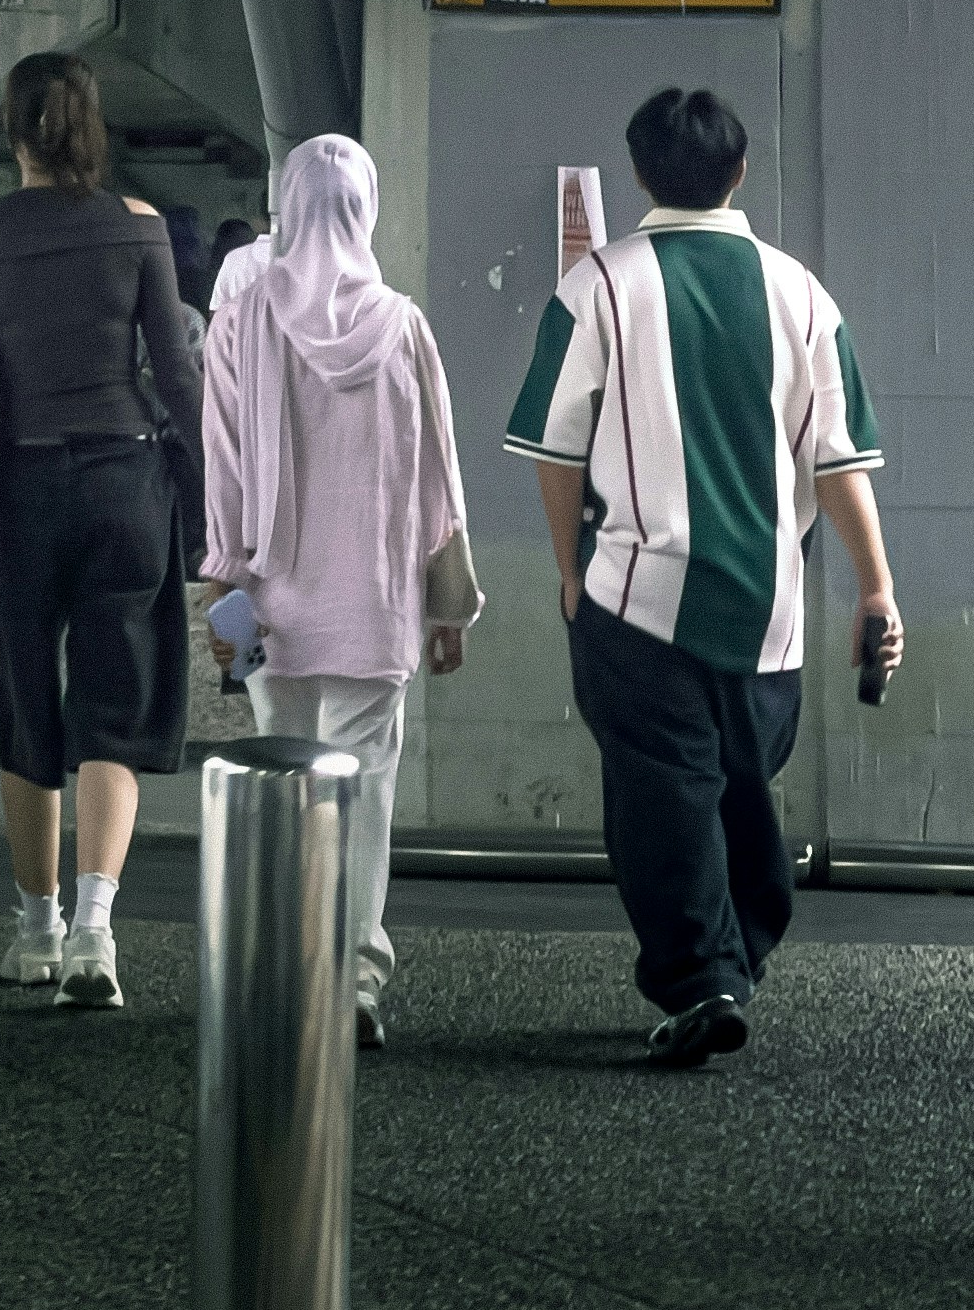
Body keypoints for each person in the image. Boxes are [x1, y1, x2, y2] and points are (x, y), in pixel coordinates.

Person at [506, 81, 900, 1070]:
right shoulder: (800, 291)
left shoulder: (599, 283)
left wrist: (568, 571)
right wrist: (877, 587)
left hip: (636, 592)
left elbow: (556, 449)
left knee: (659, 793)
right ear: (740, 171)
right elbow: (837, 459)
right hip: (767, 606)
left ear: (639, 171)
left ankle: (704, 975)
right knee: (737, 784)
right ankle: (741, 945)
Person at [198, 134, 481, 1050]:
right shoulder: (402, 325)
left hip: (273, 604)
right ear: (366, 211)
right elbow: (436, 478)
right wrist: (448, 605)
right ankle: (353, 983)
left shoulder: (243, 318)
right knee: (362, 796)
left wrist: (226, 592)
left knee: (279, 790)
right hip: (376, 604)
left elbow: (224, 469)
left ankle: (281, 972)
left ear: (285, 207)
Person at [0, 52, 200, 1012]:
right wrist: (214, 513)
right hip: (127, 481)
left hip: (21, 484)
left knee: (27, 705)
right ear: (93, 127)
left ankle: (35, 931)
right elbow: (177, 378)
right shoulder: (140, 230)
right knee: (112, 706)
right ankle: (96, 932)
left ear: (12, 130)